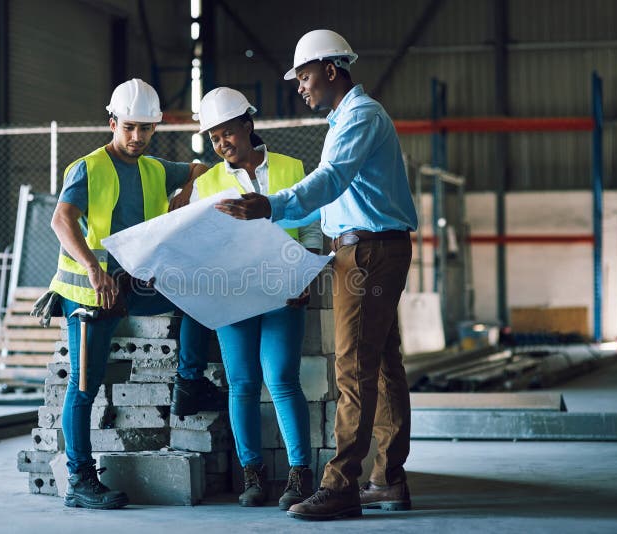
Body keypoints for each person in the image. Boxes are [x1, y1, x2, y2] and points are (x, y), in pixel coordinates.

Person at [215, 30, 418, 521]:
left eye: (304, 77)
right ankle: (388, 479)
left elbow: (330, 181)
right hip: (366, 251)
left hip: (368, 253)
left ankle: (341, 485)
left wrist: (271, 205)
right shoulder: (345, 119)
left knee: (352, 369)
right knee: (384, 365)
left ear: (331, 69)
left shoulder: (360, 117)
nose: (300, 87)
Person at [47, 78, 222, 510]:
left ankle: (189, 383)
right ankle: (79, 480)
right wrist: (92, 269)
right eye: (129, 127)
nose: (137, 137)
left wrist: (184, 191)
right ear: (112, 122)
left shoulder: (155, 169)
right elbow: (61, 221)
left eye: (146, 129)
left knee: (198, 297)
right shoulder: (87, 168)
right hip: (89, 292)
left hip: (137, 282)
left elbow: (203, 170)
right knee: (84, 389)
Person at [189, 87, 323, 510]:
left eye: (226, 132)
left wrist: (306, 271)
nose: (221, 143)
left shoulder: (291, 167)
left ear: (247, 125)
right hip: (232, 294)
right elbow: (199, 241)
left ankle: (300, 474)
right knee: (243, 384)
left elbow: (311, 227)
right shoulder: (208, 182)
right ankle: (253, 473)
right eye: (213, 138)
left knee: (282, 379)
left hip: (284, 290)